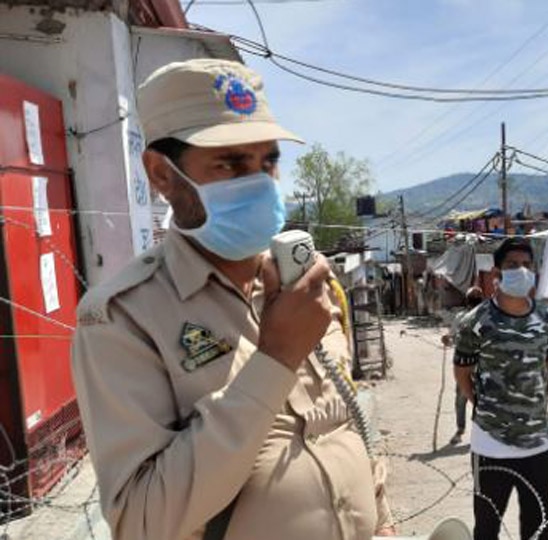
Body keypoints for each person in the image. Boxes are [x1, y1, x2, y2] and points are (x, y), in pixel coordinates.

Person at [70, 59, 395, 540]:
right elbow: (142, 521)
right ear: (161, 174)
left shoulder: (306, 284)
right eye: (230, 164)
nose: (261, 183)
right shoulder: (124, 319)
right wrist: (276, 359)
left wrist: (381, 518)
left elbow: (344, 422)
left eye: (268, 162)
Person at [453, 238, 548, 540]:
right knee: (487, 527)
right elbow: (462, 372)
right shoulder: (476, 321)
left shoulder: (547, 316)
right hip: (490, 442)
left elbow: (547, 363)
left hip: (538, 441)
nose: (521, 271)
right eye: (513, 265)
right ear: (497, 272)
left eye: (527, 265)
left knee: (539, 526)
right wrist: (482, 404)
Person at [441, 286, 485, 445]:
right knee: (475, 396)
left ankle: (463, 430)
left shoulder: (464, 317)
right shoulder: (484, 317)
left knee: (464, 397)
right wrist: (448, 339)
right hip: (475, 364)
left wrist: (447, 339)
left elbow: (451, 338)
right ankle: (466, 430)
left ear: (467, 301)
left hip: (468, 364)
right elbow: (451, 337)